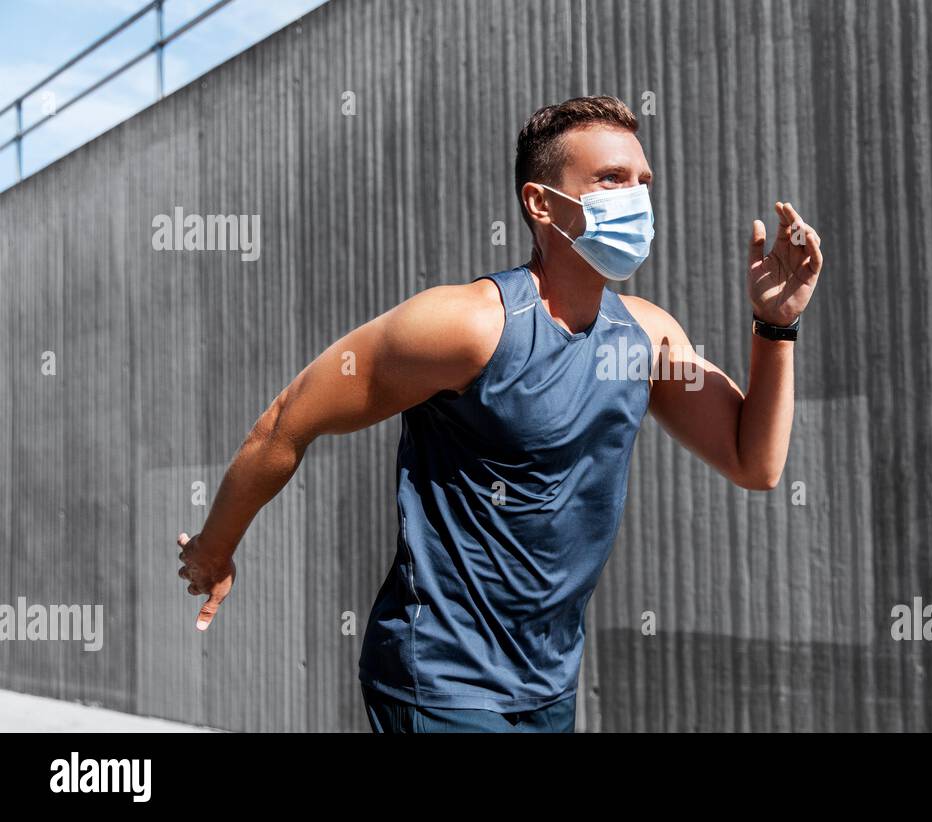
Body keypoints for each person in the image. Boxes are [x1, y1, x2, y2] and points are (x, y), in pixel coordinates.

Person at [175, 95, 825, 732]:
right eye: (609, 180)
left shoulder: (646, 342)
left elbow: (755, 461)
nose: (635, 198)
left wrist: (774, 326)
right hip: (441, 680)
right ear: (541, 203)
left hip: (547, 686)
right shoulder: (465, 326)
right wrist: (216, 549)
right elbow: (290, 417)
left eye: (641, 182)